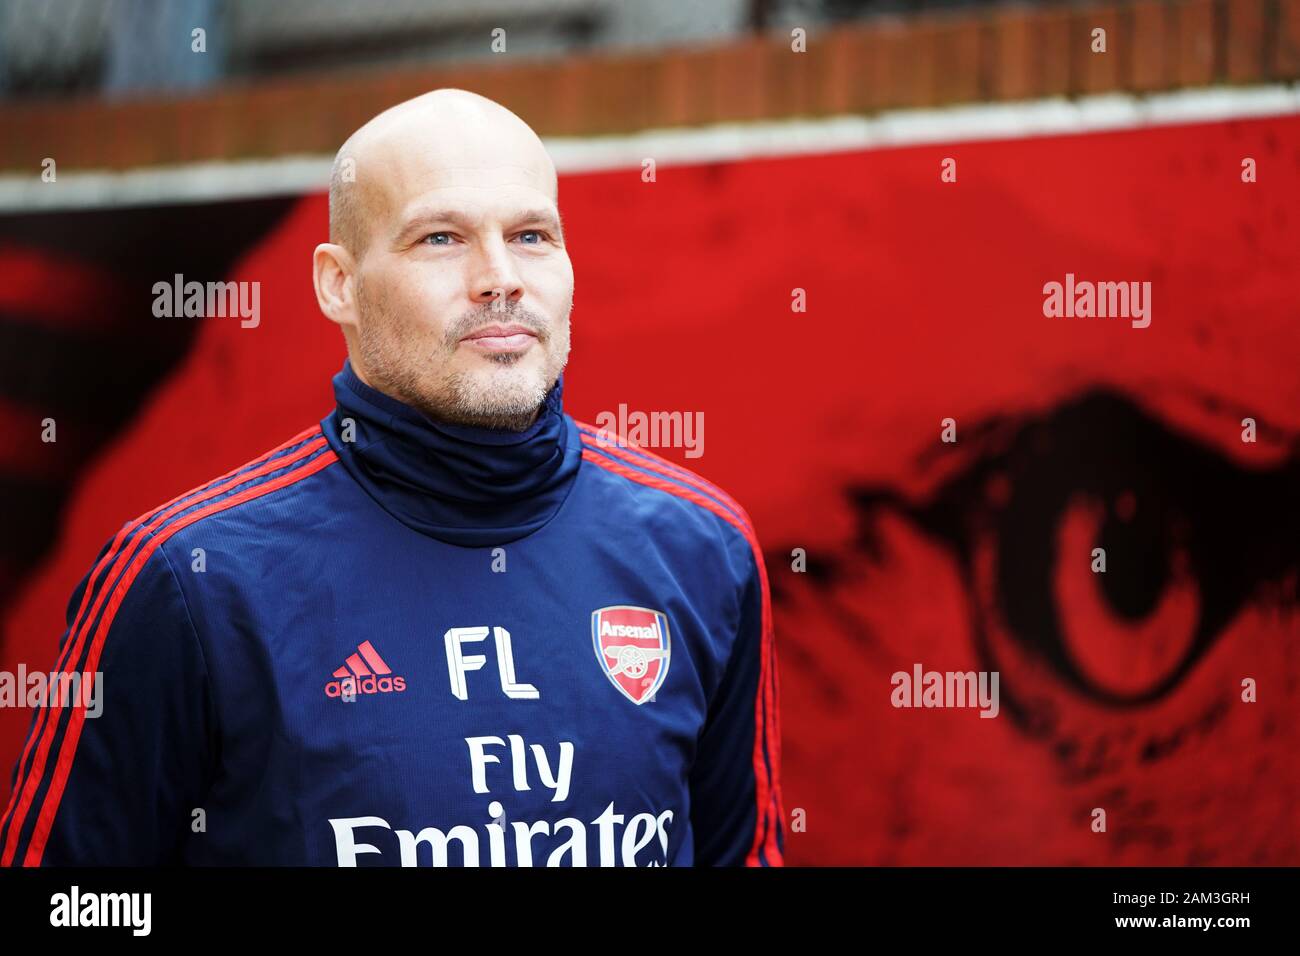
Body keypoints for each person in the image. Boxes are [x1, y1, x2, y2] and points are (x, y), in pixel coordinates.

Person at [0, 89, 783, 867]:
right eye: (441, 237)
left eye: (532, 235)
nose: (500, 278)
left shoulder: (701, 548)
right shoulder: (190, 581)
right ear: (337, 284)